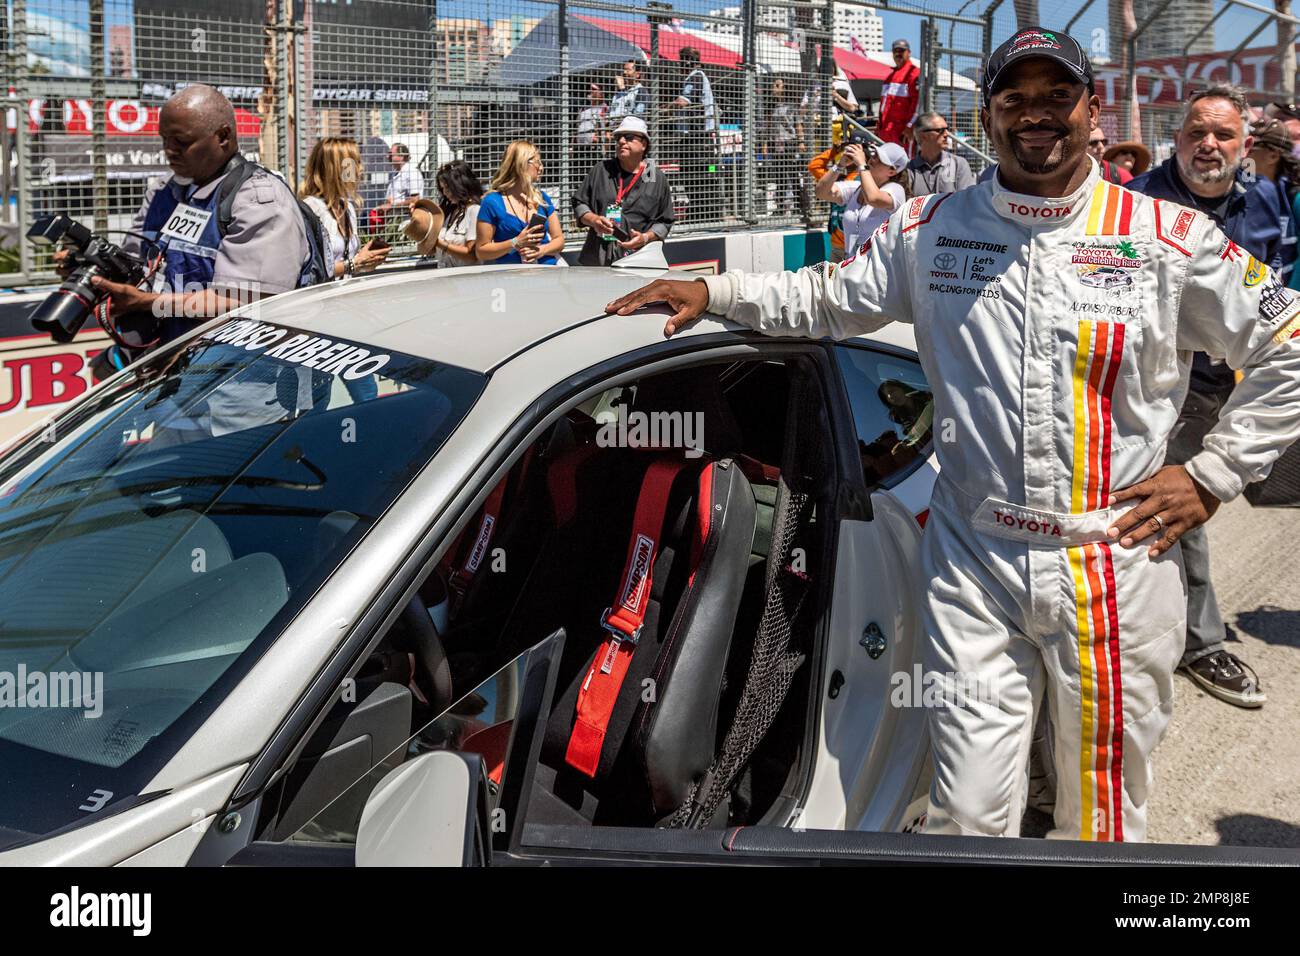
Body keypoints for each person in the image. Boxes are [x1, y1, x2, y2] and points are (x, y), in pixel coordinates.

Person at [606, 27, 1300, 841]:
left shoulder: (1166, 238)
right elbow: (825, 299)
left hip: (1113, 557)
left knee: (1100, 818)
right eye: (1015, 99)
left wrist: (1213, 474)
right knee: (966, 814)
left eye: (1056, 98)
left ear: (1091, 110)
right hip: (976, 556)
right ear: (989, 113)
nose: (1035, 115)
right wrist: (712, 289)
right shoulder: (930, 229)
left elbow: (1287, 342)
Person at [1128, 84, 1284, 708]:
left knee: (1262, 493)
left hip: (1246, 384)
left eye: (1222, 134)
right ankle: (1201, 643)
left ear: (1245, 143)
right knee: (1184, 507)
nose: (1208, 145)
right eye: (1197, 132)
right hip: (1172, 388)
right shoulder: (1137, 205)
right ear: (1177, 138)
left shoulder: (1269, 199)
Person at [66, 84, 311, 355]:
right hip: (174, 369)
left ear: (223, 136)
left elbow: (244, 302)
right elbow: (137, 269)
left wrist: (148, 303)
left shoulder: (258, 200)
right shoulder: (162, 193)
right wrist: (93, 269)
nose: (169, 150)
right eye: (164, 140)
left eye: (181, 142)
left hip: (243, 383)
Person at [573, 116, 674, 267]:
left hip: (639, 259)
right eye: (618, 138)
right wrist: (594, 220)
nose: (621, 141)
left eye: (628, 137)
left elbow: (665, 221)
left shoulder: (653, 175)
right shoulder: (602, 169)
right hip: (598, 258)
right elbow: (580, 203)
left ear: (644, 144)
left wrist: (645, 237)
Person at [299, 137, 389, 279]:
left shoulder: (348, 208)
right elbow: (309, 271)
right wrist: (355, 264)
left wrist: (364, 260)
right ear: (337, 168)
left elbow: (348, 262)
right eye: (356, 162)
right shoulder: (311, 209)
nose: (361, 169)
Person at [814, 138, 908, 258]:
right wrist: (839, 165)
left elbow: (873, 198)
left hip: (877, 270)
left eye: (881, 160)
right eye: (875, 156)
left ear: (892, 172)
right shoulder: (857, 188)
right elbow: (821, 192)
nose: (873, 160)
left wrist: (862, 165)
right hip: (851, 265)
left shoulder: (896, 189)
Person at [476, 140, 565, 266]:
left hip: (547, 273)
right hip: (512, 277)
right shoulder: (492, 202)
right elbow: (481, 251)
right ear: (522, 164)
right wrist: (515, 242)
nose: (541, 167)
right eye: (537, 162)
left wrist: (541, 251)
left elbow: (559, 241)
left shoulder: (542, 198)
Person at [1247, 117, 1298, 285]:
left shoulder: (1294, 197)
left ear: (1273, 155)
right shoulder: (1238, 192)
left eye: (1251, 148)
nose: (1243, 154)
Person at [668, 47, 718, 213]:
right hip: (699, 139)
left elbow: (683, 102)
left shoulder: (695, 76)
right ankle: (702, 211)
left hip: (697, 139)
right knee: (698, 175)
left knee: (698, 175)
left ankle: (704, 212)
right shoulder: (697, 77)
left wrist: (663, 110)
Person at [807, 138, 860, 262]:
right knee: (832, 279)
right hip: (837, 245)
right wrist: (835, 151)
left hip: (854, 244)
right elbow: (814, 166)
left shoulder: (863, 179)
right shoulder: (832, 179)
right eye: (847, 151)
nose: (849, 156)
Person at [762, 77, 807, 218]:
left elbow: (798, 124)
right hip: (776, 144)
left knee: (792, 175)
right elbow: (768, 127)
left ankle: (800, 206)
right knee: (779, 176)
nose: (773, 88)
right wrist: (764, 143)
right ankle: (780, 207)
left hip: (789, 143)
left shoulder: (792, 106)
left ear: (784, 88)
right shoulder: (771, 106)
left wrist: (801, 141)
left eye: (777, 85)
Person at [428, 160, 484, 268]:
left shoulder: (475, 211)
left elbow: (471, 255)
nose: (444, 193)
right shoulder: (449, 212)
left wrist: (440, 244)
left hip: (464, 279)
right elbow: (432, 251)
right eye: (442, 188)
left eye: (447, 188)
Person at [907, 111, 976, 194]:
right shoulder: (909, 170)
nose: (947, 134)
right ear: (923, 136)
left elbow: (966, 200)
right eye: (940, 130)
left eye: (947, 129)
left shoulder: (959, 164)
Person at [877, 39, 920, 147]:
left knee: (905, 162)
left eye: (901, 51)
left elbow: (918, 103)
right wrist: (879, 128)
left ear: (908, 53)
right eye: (895, 51)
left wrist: (910, 126)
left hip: (903, 133)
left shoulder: (914, 74)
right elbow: (883, 106)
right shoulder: (889, 78)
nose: (898, 54)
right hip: (886, 132)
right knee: (885, 163)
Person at [376, 142, 424, 222]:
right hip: (396, 221)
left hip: (408, 221)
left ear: (401, 156)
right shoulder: (395, 173)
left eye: (391, 154)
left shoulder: (411, 172)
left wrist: (392, 206)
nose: (387, 156)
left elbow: (415, 200)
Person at [576, 83, 610, 176]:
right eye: (590, 89)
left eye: (594, 89)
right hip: (580, 148)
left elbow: (606, 127)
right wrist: (571, 145)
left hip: (594, 148)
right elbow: (577, 127)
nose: (590, 91)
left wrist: (599, 139)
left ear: (601, 93)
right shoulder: (583, 109)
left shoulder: (604, 107)